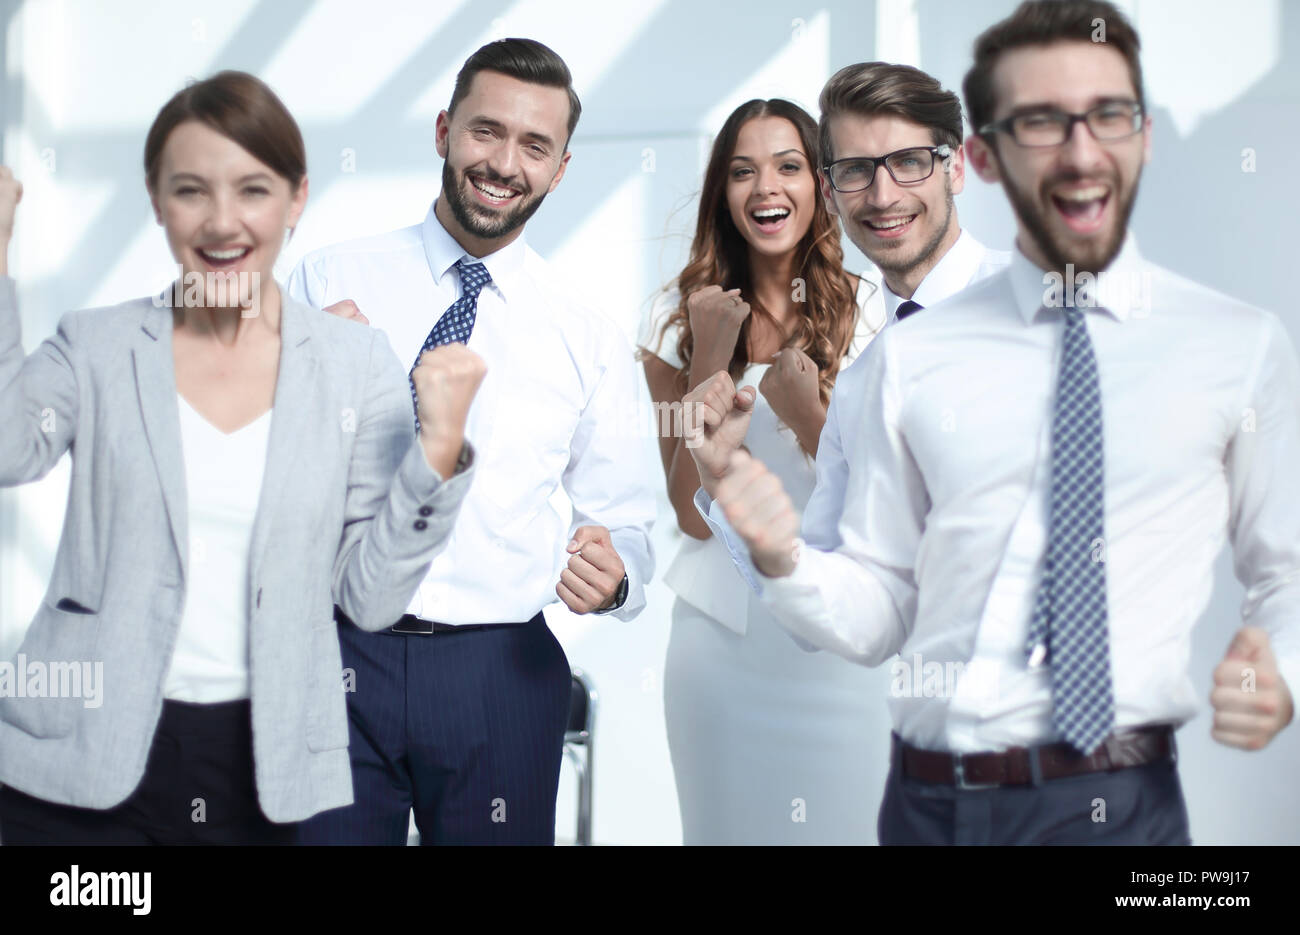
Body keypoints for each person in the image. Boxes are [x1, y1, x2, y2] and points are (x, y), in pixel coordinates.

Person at [710, 0, 1300, 845]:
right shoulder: (895, 364)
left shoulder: (1234, 348)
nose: (1077, 152)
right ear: (989, 157)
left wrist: (1280, 664)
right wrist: (779, 555)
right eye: (1037, 124)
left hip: (1118, 803)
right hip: (926, 802)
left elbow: (1288, 569)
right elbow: (877, 606)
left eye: (1106, 117)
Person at [0, 71, 480, 845]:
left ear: (296, 199)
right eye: (191, 190)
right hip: (78, 757)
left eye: (253, 190)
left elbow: (368, 598)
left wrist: (440, 452)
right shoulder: (99, 344)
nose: (222, 221)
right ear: (157, 202)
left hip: (262, 769)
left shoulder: (355, 365)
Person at [288, 38, 656, 846]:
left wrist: (619, 571)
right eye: (486, 131)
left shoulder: (587, 333)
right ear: (444, 130)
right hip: (336, 657)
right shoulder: (327, 282)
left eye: (535, 146)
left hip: (501, 676)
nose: (504, 163)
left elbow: (629, 520)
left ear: (560, 170)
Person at [640, 98, 885, 844]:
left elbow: (883, 509)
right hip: (719, 652)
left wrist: (810, 417)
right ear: (722, 192)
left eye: (786, 166)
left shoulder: (874, 316)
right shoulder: (674, 326)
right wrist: (710, 357)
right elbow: (689, 511)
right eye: (742, 171)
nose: (764, 188)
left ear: (820, 184)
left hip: (841, 652)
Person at [689, 63, 1007, 573]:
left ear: (957, 168)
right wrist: (724, 473)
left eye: (909, 161)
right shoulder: (860, 388)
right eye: (857, 170)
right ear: (831, 192)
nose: (883, 196)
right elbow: (835, 593)